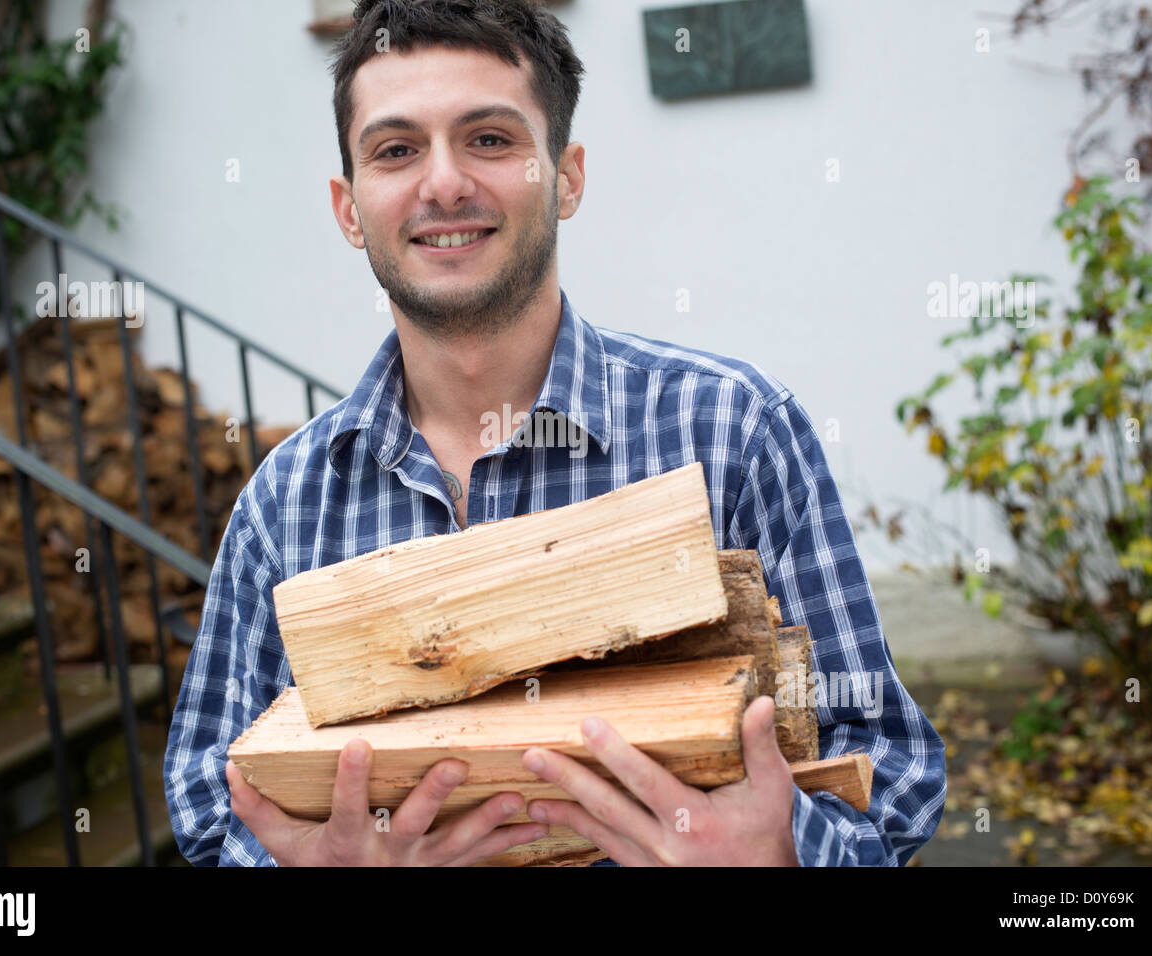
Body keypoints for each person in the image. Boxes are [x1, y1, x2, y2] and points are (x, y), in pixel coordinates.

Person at [164, 0, 946, 867]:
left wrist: (782, 852)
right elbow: (206, 800)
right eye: (396, 150)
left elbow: (896, 773)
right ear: (350, 208)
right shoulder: (286, 504)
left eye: (490, 139)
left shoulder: (735, 431)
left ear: (566, 177)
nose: (444, 184)